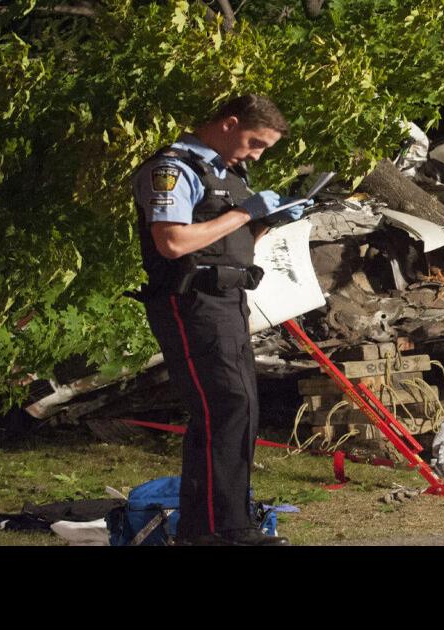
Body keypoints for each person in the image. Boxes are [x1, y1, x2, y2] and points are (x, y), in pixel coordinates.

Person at [131, 94, 306, 546]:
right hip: (191, 300)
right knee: (223, 408)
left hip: (229, 298)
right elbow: (172, 242)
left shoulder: (229, 173)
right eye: (254, 142)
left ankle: (225, 525)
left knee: (241, 409)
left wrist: (267, 220)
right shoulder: (174, 168)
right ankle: (214, 530)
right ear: (228, 123)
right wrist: (244, 212)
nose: (256, 154)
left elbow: (230, 238)